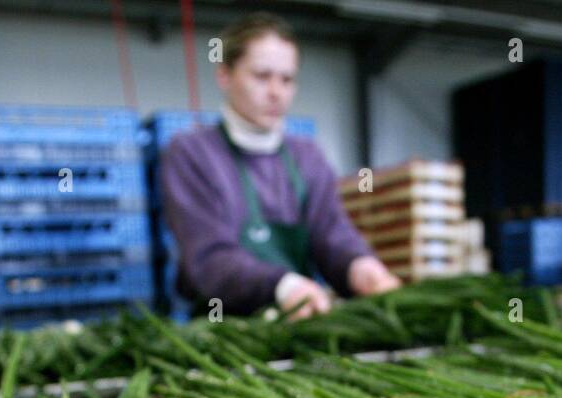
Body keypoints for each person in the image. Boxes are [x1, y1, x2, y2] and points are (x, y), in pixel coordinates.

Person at [158, 12, 400, 319]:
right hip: (222, 330)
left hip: (298, 323)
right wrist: (282, 286)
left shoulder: (307, 156)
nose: (276, 92)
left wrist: (359, 266)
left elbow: (332, 233)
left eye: (287, 79)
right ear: (225, 76)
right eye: (262, 76)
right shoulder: (191, 154)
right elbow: (207, 257)